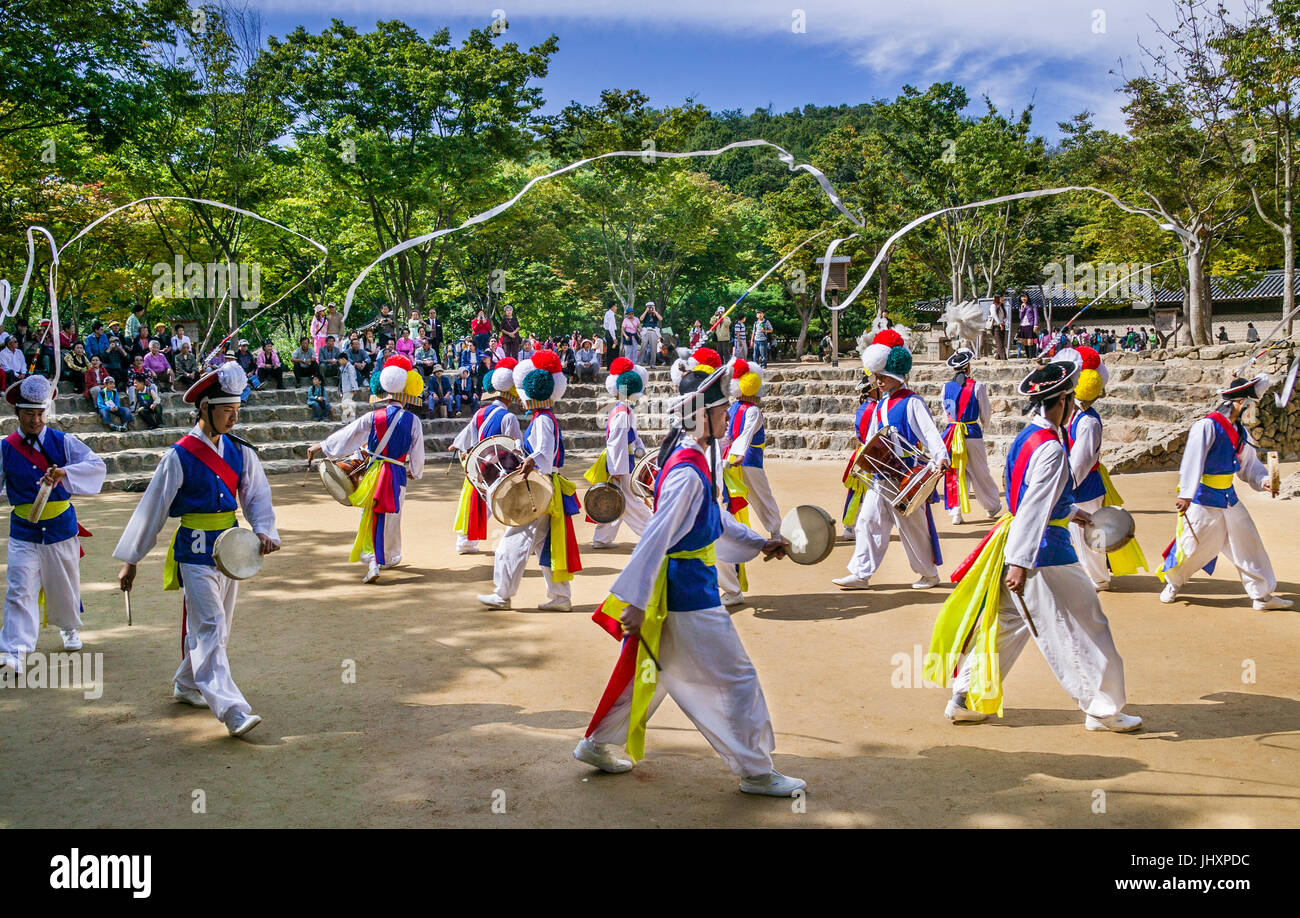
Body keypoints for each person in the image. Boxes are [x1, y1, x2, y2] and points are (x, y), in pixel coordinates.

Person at [573, 359, 802, 796]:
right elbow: (655, 538)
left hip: (679, 587)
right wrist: (636, 603)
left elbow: (712, 517)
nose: (727, 417)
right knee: (737, 678)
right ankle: (756, 771)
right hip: (689, 592)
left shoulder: (691, 458)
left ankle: (597, 743)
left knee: (654, 671)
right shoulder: (686, 470)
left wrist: (758, 543)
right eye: (721, 411)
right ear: (703, 415)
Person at [927, 360, 1142, 732]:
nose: (1073, 406)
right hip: (1046, 553)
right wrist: (1020, 564)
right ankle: (1102, 708)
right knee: (1085, 626)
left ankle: (965, 698)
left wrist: (1071, 511)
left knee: (1009, 623)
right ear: (1059, 402)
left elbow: (1027, 497)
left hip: (1023, 546)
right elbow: (1033, 508)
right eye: (1070, 400)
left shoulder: (1027, 438)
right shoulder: (1053, 449)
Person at [114, 362, 279, 738]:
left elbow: (257, 497)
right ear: (204, 409)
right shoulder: (179, 456)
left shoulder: (242, 452)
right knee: (210, 627)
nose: (234, 419)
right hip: (194, 553)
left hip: (233, 553)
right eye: (227, 411)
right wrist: (131, 560)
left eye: (237, 411)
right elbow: (152, 509)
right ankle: (233, 709)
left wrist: (264, 532)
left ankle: (187, 685)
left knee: (218, 630)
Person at [1157, 374, 1292, 610]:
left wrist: (1264, 481)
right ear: (1240, 402)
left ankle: (1261, 596)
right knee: (1191, 546)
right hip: (1203, 499)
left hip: (1229, 499)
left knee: (1249, 542)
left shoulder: (1241, 432)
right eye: (1251, 404)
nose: (1253, 410)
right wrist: (1186, 494)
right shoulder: (1206, 426)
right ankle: (1172, 583)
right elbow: (1192, 460)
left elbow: (1250, 466)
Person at [0, 375, 106, 673]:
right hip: (24, 529)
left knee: (64, 584)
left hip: (60, 526)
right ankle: (15, 650)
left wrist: (65, 473)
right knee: (20, 587)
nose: (35, 420)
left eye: (40, 413)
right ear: (17, 414)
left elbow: (96, 466)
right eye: (29, 414)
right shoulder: (5, 448)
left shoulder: (63, 441)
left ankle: (69, 627)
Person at [834, 329, 950, 590]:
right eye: (877, 377)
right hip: (882, 474)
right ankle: (861, 573)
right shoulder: (881, 405)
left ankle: (928, 573)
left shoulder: (912, 402)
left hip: (907, 475)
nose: (878, 381)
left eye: (882, 377)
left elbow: (930, 433)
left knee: (912, 526)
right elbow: (873, 439)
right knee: (868, 520)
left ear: (895, 375)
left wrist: (941, 456)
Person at [477, 350, 582, 611]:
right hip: (547, 489)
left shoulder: (542, 420)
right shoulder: (544, 418)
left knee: (512, 541)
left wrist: (528, 460)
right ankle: (561, 598)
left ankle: (502, 594)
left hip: (537, 488)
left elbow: (544, 453)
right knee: (547, 546)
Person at [307, 357, 425, 584]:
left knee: (371, 513)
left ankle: (374, 557)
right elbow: (418, 453)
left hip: (373, 472)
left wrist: (321, 446)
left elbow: (348, 434)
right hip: (397, 474)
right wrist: (415, 471)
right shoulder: (413, 421)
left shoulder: (373, 416)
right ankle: (383, 557)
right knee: (392, 516)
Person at [1061, 347, 1147, 590]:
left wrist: (1068, 485)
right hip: (1083, 484)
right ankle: (1092, 574)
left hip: (1084, 486)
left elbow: (1081, 461)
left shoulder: (1087, 422)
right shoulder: (1081, 417)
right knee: (1081, 535)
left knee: (1089, 535)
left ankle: (1099, 578)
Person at [716, 358, 782, 607]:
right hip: (739, 462)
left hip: (742, 461)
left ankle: (775, 531)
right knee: (749, 501)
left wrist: (731, 455)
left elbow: (740, 437)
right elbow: (734, 436)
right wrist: (729, 456)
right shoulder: (742, 410)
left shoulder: (743, 410)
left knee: (756, 498)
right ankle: (772, 532)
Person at [451, 358, 521, 554]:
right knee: (508, 503)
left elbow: (470, 434)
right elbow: (515, 446)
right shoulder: (509, 417)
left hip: (479, 464)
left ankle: (465, 541)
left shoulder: (481, 412)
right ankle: (516, 541)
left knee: (475, 503)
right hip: (500, 468)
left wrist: (457, 445)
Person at [586, 357, 652, 549]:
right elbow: (616, 444)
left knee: (616, 500)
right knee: (632, 502)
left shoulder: (624, 410)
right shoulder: (622, 413)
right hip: (621, 464)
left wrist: (639, 446)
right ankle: (653, 533)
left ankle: (602, 538)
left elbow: (632, 436)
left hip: (623, 461)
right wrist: (617, 469)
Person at [941, 349, 1002, 525]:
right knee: (980, 471)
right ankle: (992, 506)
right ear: (968, 367)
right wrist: (984, 424)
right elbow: (986, 413)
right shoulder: (977, 386)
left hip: (952, 433)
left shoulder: (946, 387)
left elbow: (946, 413)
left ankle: (956, 511)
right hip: (971, 432)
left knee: (956, 472)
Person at [639, 301, 662, 366]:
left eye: (651, 307)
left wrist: (654, 311)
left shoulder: (655, 314)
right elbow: (640, 319)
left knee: (653, 349)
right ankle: (639, 362)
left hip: (653, 331)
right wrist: (646, 311)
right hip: (646, 331)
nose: (650, 308)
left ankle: (652, 363)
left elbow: (660, 319)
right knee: (643, 347)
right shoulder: (645, 314)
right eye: (649, 307)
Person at [1017, 292, 1037, 359]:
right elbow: (1020, 317)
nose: (1023, 298)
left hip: (1029, 325)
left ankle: (1032, 357)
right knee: (1025, 342)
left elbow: (1036, 316)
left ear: (1027, 297)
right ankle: (1028, 357)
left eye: (1025, 297)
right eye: (1022, 297)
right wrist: (1022, 310)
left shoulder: (1032, 305)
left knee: (1030, 342)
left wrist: (1035, 325)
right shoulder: (1021, 306)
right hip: (1023, 325)